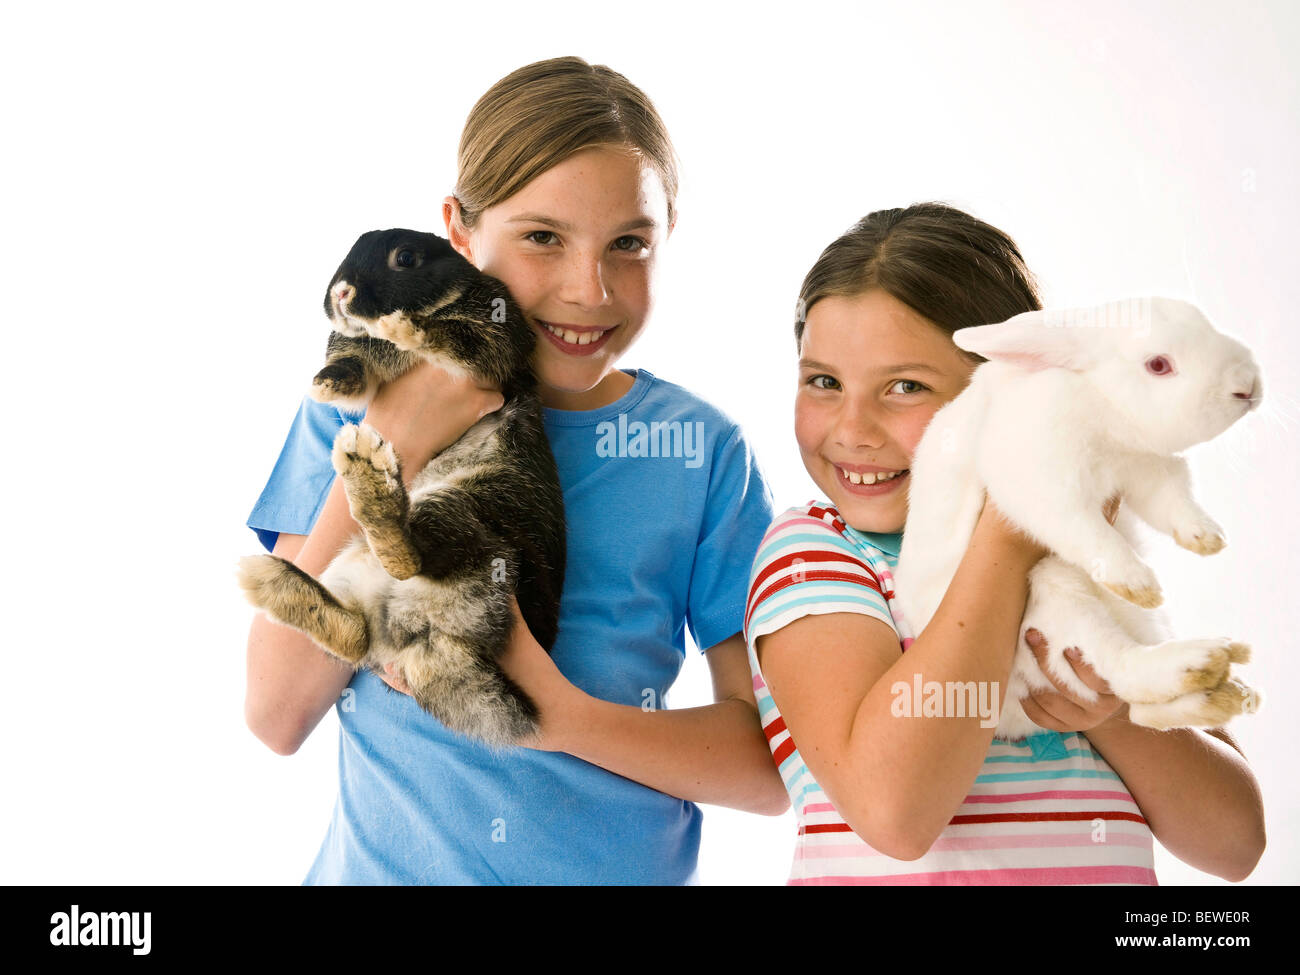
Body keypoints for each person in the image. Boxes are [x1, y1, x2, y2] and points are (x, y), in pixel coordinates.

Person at [244, 56, 787, 885]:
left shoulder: (701, 451)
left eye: (629, 245)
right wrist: (396, 442)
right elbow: (276, 713)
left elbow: (767, 766)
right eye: (542, 238)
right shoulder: (355, 405)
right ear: (459, 232)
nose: (588, 288)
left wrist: (558, 719)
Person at [744, 202, 1266, 885]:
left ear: (1008, 384)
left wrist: (1115, 709)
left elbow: (1235, 844)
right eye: (824, 382)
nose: (853, 427)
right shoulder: (816, 553)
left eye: (905, 386)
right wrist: (1009, 533)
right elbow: (895, 812)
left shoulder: (1089, 549)